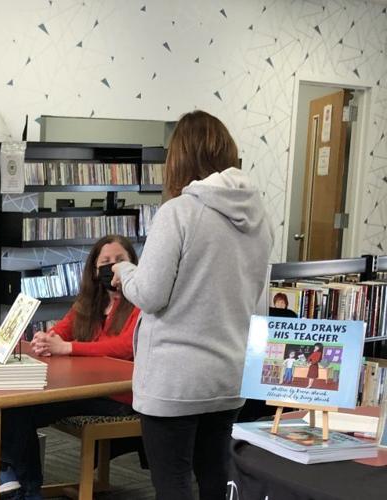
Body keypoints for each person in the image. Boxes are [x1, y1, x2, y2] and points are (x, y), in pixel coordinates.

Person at [111, 110, 273, 500]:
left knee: (173, 483)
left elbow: (150, 294)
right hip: (229, 376)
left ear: (180, 157)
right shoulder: (261, 218)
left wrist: (125, 269)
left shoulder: (179, 212)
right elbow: (258, 301)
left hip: (175, 381)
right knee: (215, 480)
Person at [0, 235, 142, 499]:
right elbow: (61, 330)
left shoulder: (141, 304)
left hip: (117, 395)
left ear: (134, 265)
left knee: (20, 406)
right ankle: (14, 480)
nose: (112, 268)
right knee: (13, 401)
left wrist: (69, 348)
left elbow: (124, 347)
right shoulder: (89, 302)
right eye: (105, 261)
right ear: (93, 268)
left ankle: (15, 481)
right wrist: (46, 339)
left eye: (120, 261)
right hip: (84, 388)